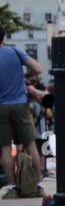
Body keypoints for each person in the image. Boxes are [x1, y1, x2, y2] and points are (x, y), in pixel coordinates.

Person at [0, 28, 44, 190]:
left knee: (4, 147)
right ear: (3, 37)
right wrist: (26, 77)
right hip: (20, 104)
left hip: (0, 107)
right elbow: (38, 69)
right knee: (30, 143)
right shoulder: (15, 52)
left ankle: (12, 185)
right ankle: (38, 181)